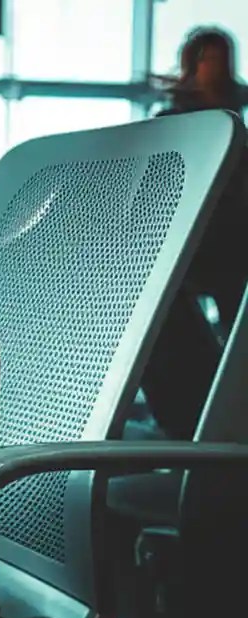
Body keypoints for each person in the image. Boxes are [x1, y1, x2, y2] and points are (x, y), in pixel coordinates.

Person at [141, 26, 248, 439]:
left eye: (219, 58)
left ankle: (223, 408)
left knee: (234, 318)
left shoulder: (236, 122)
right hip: (193, 237)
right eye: (207, 58)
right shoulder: (173, 122)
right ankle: (195, 417)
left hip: (231, 237)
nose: (214, 67)